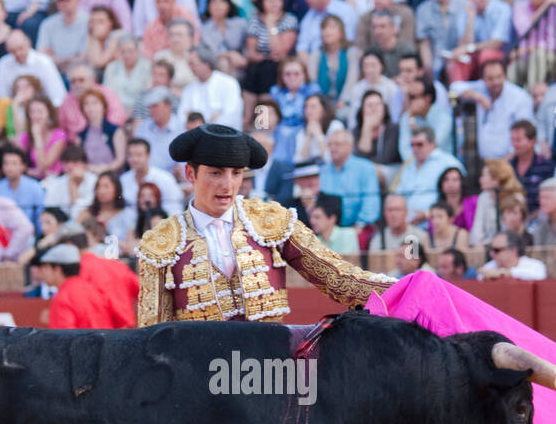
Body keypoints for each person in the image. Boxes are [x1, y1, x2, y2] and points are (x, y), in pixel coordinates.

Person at [135, 121, 393, 326]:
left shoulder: (270, 220)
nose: (227, 185)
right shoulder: (162, 243)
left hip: (267, 374)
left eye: (236, 173)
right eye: (215, 173)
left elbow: (337, 277)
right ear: (190, 174)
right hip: (200, 383)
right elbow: (155, 332)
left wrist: (404, 288)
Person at [41, 239, 140, 327]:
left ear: (57, 269)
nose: (42, 272)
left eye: (46, 267)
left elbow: (63, 341)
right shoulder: (92, 290)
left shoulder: (62, 299)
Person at [478, 227, 547, 279]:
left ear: (513, 251)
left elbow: (539, 274)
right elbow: (480, 277)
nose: (491, 254)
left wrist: (504, 273)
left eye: (497, 250)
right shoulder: (490, 267)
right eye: (491, 249)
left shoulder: (534, 266)